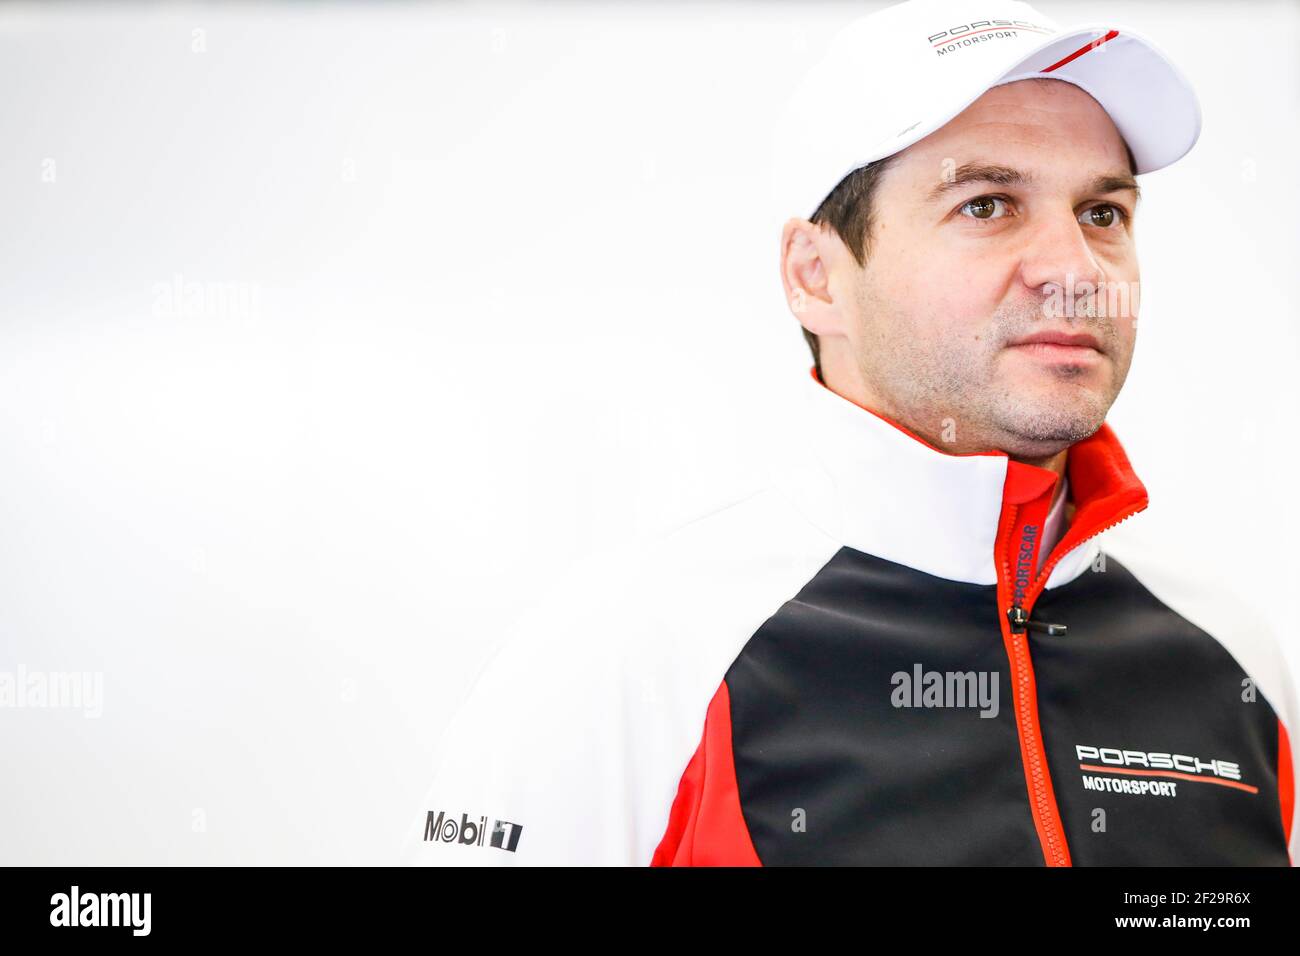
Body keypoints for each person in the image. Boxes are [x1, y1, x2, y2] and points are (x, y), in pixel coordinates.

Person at [405, 0, 1297, 865]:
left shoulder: (1237, 660)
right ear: (816, 276)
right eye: (986, 205)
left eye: (1102, 213)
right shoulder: (624, 664)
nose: (1074, 270)